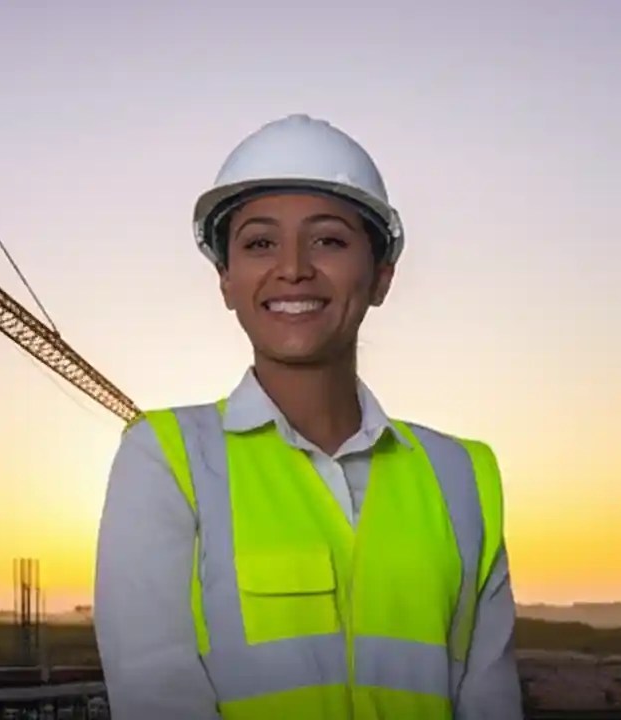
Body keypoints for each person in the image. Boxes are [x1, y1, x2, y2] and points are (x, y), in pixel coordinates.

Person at [93, 114, 523, 719]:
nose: (292, 268)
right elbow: (156, 699)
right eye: (260, 243)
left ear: (380, 277)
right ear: (226, 280)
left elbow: (491, 704)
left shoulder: (462, 476)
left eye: (328, 240)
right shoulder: (166, 459)